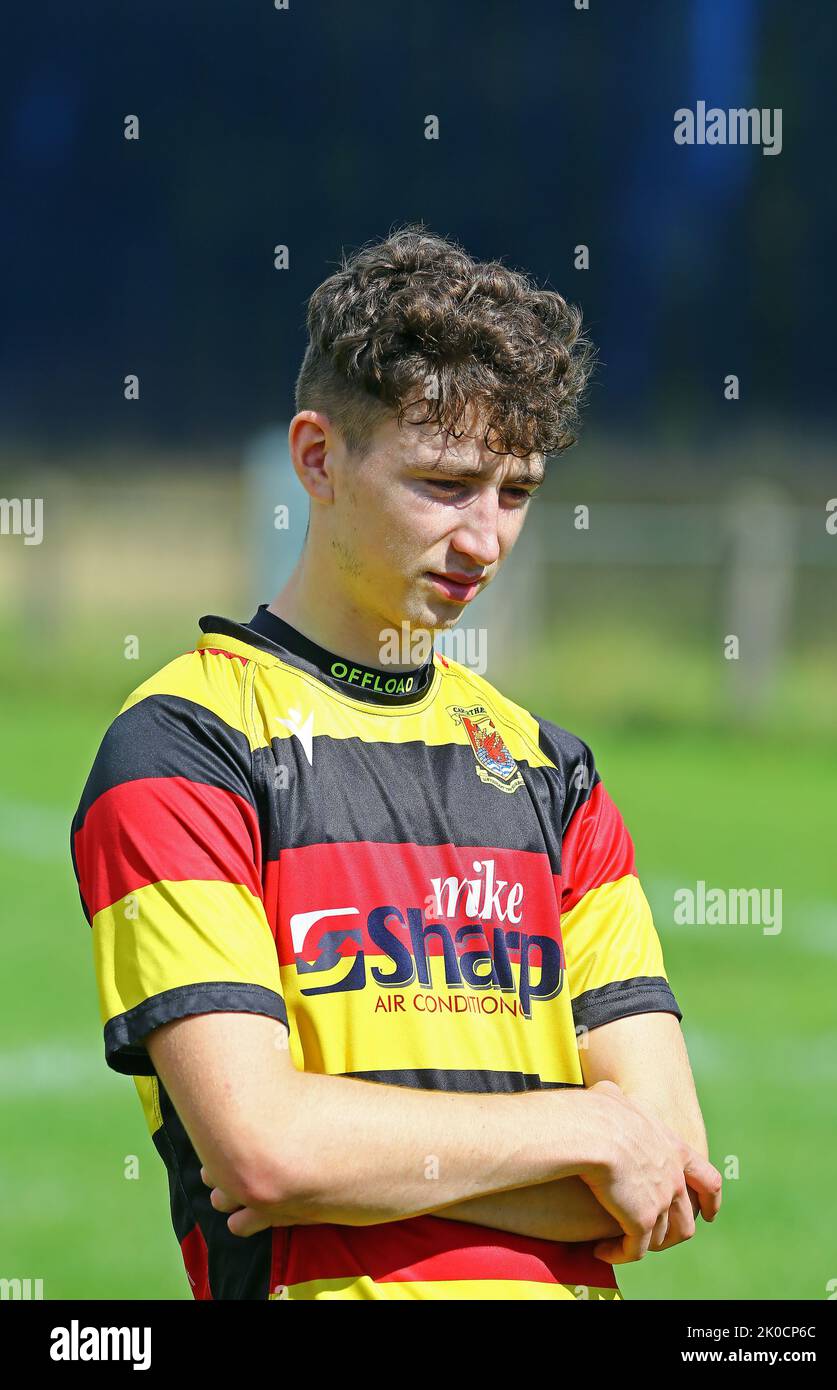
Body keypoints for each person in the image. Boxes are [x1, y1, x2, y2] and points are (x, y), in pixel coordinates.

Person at [71, 223, 721, 1300]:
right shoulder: (184, 747)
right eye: (444, 484)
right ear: (317, 458)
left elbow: (667, 1179)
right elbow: (265, 1150)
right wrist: (583, 1128)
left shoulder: (553, 775)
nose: (484, 540)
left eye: (514, 492)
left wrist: (351, 1158)